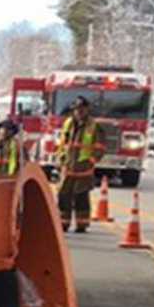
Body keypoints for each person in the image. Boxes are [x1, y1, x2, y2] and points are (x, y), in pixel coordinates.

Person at [56, 96, 105, 232]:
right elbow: (62, 143)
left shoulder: (94, 126)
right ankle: (63, 223)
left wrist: (91, 161)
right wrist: (60, 158)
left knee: (81, 196)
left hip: (83, 168)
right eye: (77, 109)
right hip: (68, 166)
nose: (79, 112)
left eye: (81, 109)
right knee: (63, 195)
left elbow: (100, 147)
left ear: (87, 110)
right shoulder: (68, 123)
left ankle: (82, 224)